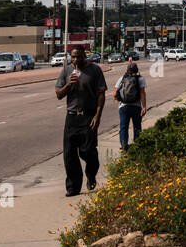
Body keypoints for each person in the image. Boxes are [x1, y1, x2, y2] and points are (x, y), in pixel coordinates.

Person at [55, 46, 107, 197]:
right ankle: (73, 187)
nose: (76, 60)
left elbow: (101, 95)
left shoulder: (95, 70)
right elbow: (58, 94)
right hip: (71, 117)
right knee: (69, 154)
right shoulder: (66, 71)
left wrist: (97, 116)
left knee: (87, 151)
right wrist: (68, 84)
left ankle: (91, 174)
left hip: (88, 116)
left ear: (85, 55)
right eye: (73, 57)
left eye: (78, 56)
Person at [113, 60, 147, 150]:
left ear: (127, 70)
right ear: (137, 70)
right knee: (137, 126)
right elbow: (142, 93)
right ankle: (137, 146)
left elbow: (115, 93)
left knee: (124, 127)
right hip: (136, 106)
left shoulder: (122, 78)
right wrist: (144, 107)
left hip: (123, 106)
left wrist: (120, 100)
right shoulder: (140, 79)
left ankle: (124, 147)